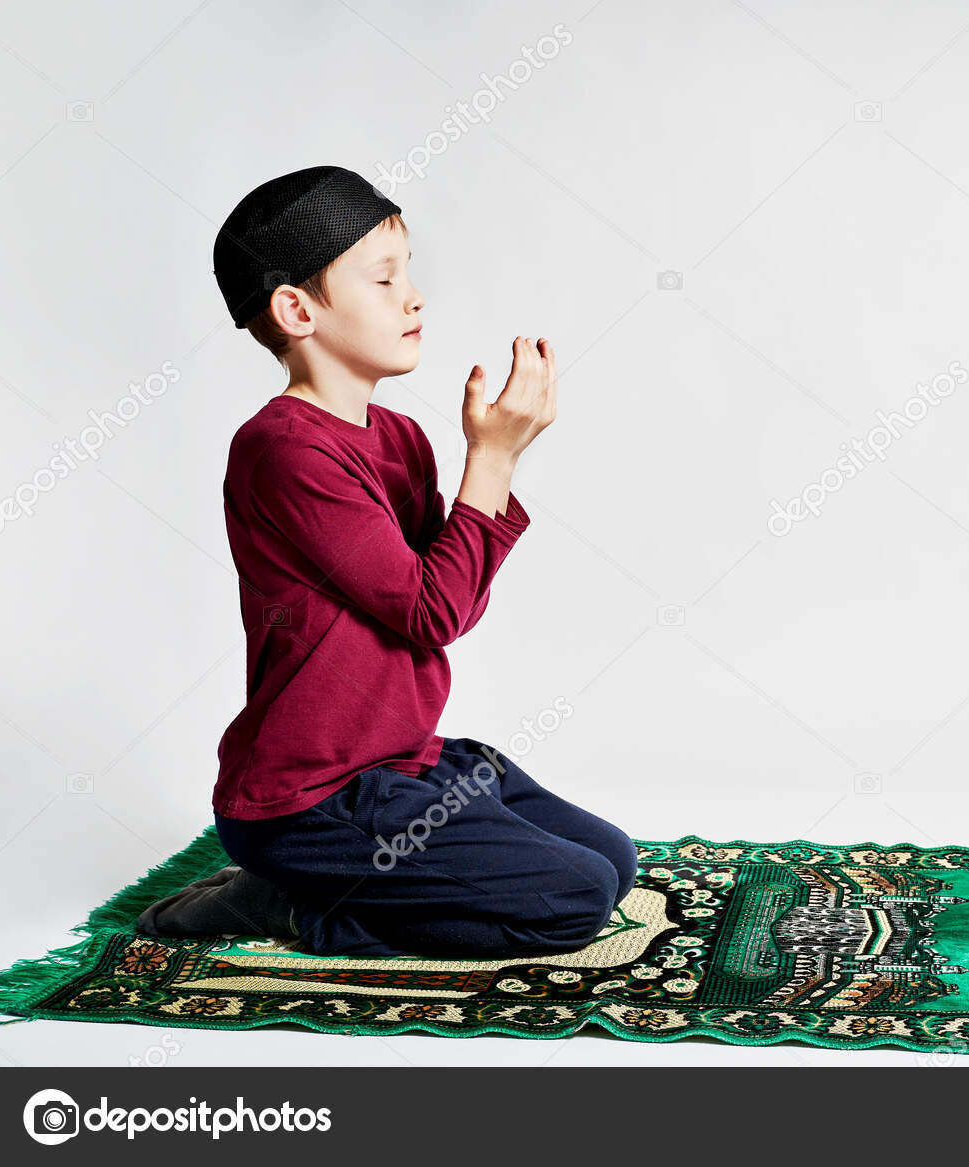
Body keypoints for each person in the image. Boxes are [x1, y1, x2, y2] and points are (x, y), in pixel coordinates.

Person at [136, 165, 637, 957]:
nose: (414, 296)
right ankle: (290, 905)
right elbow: (429, 610)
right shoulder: (283, 450)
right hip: (311, 799)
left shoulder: (398, 438)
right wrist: (493, 459)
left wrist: (487, 460)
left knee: (613, 862)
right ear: (296, 309)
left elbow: (449, 608)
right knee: (570, 901)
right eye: (383, 278)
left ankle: (333, 877)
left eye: (408, 272)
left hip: (403, 763)